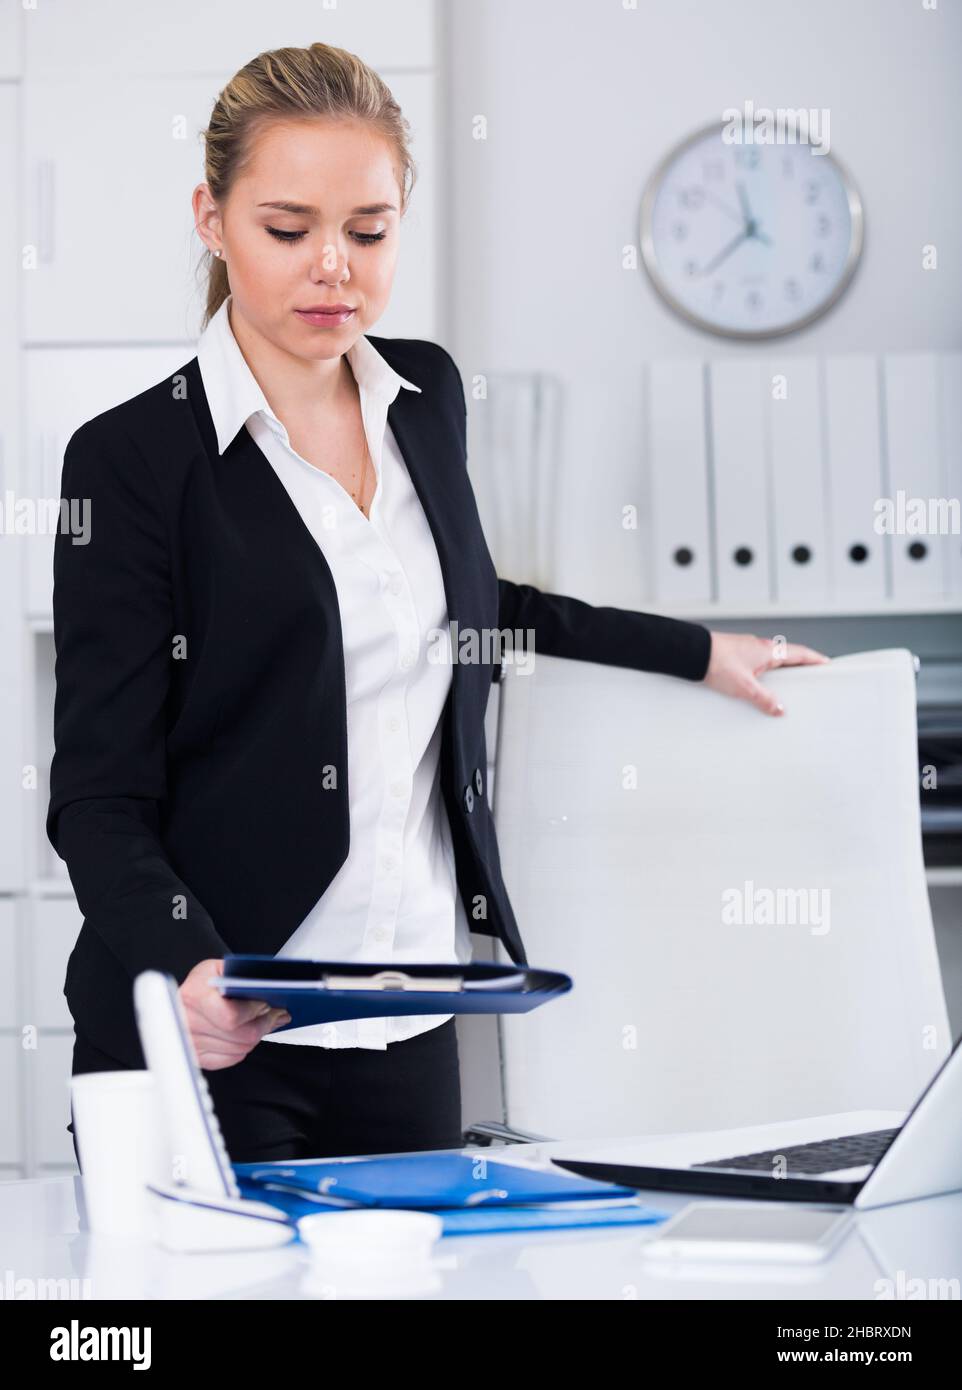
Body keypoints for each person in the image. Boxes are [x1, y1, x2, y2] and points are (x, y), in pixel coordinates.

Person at [48, 42, 828, 1168]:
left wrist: (693, 649)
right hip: (213, 1032)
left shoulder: (425, 396)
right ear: (210, 220)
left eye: (368, 230)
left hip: (411, 1015)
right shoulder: (132, 458)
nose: (334, 267)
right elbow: (97, 796)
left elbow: (463, 603)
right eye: (286, 227)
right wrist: (187, 965)